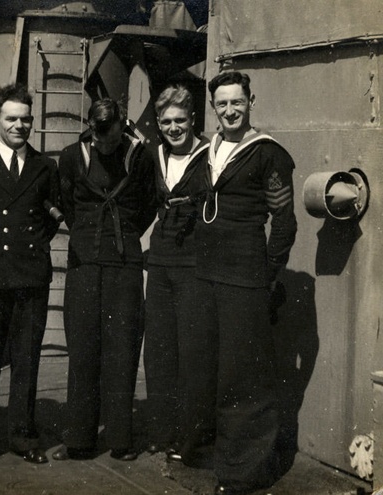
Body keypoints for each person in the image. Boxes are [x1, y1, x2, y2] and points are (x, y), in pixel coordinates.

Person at [193, 71, 297, 495]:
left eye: (238, 102)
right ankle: (220, 455)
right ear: (214, 107)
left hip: (245, 279)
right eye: (222, 104)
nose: (230, 111)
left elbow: (285, 223)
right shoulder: (209, 149)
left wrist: (266, 271)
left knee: (244, 376)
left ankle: (244, 472)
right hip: (207, 276)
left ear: (251, 101)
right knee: (213, 370)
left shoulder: (267, 153)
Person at [53, 98, 156, 462]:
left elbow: (148, 204)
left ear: (122, 126)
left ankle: (120, 439)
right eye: (97, 138)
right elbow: (68, 203)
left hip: (124, 263)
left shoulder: (141, 157)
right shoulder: (71, 156)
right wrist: (88, 234)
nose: (102, 145)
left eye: (110, 138)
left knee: (123, 349)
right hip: (84, 263)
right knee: (82, 350)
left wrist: (123, 236)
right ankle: (79, 439)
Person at [0, 83, 61, 467]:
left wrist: (30, 247)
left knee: (26, 361)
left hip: (31, 275)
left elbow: (50, 220)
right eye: (11, 118)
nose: (18, 125)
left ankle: (22, 436)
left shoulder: (44, 167)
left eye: (25, 119)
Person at [143, 85, 211, 462]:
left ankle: (190, 436)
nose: (173, 128)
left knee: (192, 351)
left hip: (194, 264)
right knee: (159, 349)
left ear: (193, 119)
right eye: (166, 121)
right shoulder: (156, 155)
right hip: (161, 261)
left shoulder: (209, 156)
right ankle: (161, 430)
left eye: (180, 120)